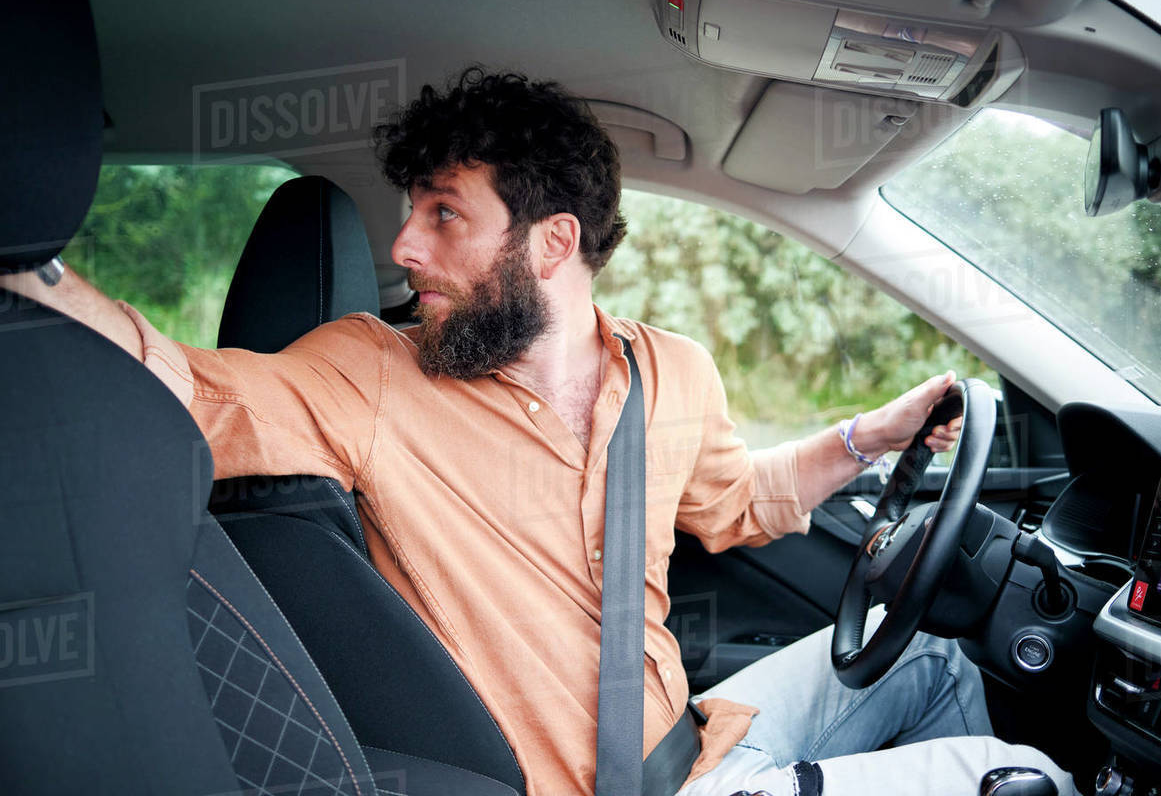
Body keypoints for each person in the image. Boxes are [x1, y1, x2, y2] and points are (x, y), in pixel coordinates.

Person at [0, 67, 1077, 796]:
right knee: (1025, 772)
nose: (405, 247)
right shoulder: (369, 373)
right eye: (410, 212)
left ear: (553, 243)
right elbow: (178, 382)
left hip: (698, 738)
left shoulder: (672, 370)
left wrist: (867, 437)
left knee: (937, 659)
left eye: (443, 214)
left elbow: (737, 498)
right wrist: (26, 261)